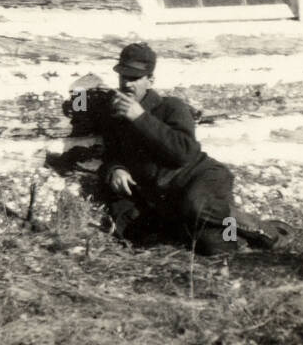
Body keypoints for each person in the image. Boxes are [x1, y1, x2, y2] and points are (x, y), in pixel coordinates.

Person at [99, 43, 289, 256]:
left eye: (134, 78)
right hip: (172, 197)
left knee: (197, 205)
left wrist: (141, 118)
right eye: (123, 77)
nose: (127, 84)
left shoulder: (171, 106)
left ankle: (267, 231)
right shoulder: (116, 116)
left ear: (150, 81)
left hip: (202, 178)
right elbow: (111, 153)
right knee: (214, 246)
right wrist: (116, 168)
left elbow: (184, 153)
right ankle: (236, 238)